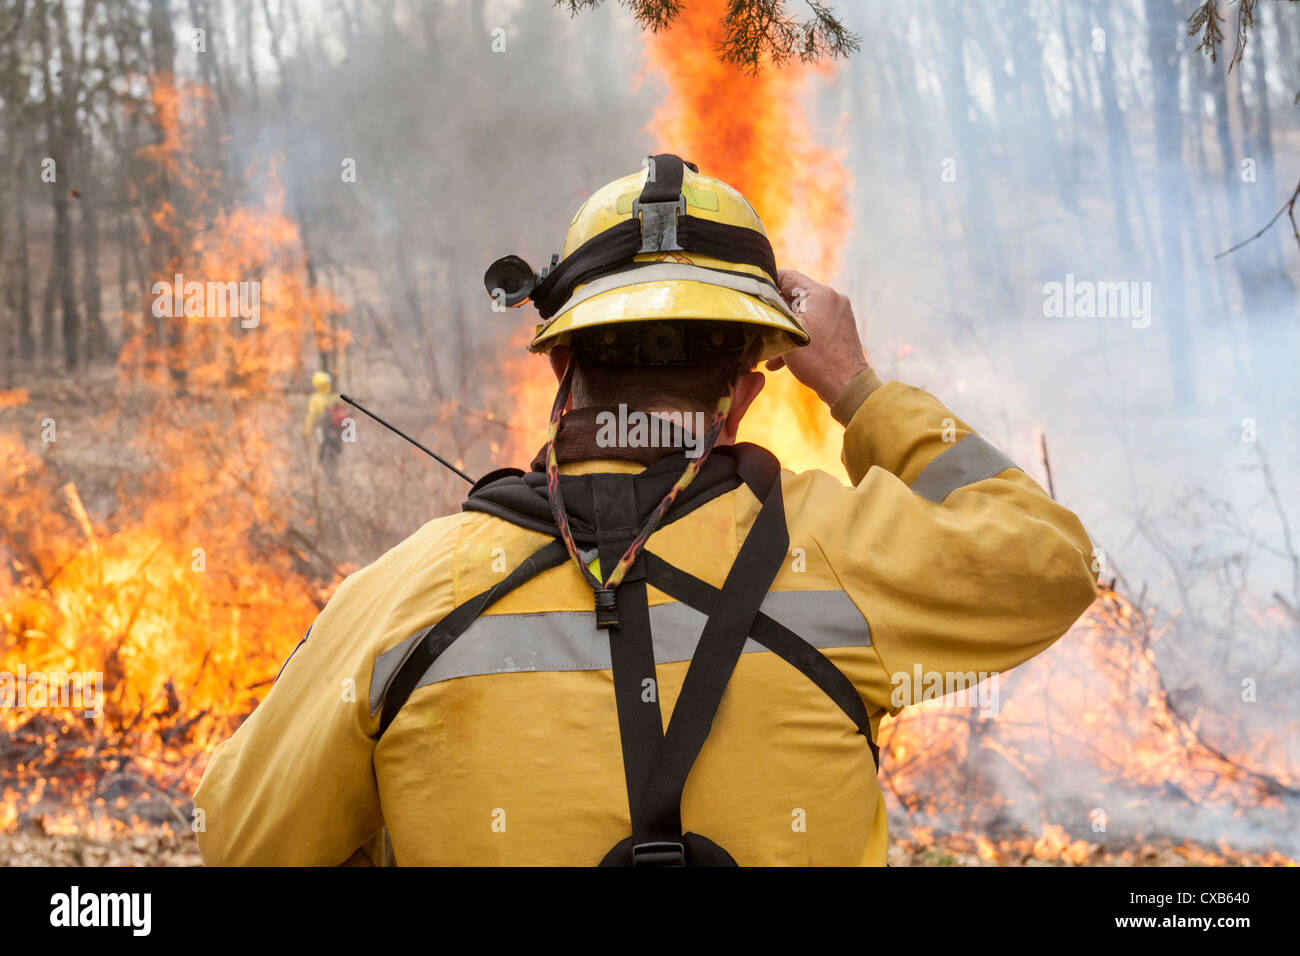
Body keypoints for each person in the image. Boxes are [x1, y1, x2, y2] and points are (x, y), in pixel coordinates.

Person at [195, 155, 1097, 866]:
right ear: (744, 393)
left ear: (561, 368)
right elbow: (1052, 561)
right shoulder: (840, 552)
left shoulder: (403, 596)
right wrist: (857, 387)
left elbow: (242, 845)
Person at [302, 369, 343, 475]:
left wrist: (306, 432)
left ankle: (327, 471)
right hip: (336, 431)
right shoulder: (334, 397)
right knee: (335, 451)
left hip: (322, 430)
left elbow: (310, 416)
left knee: (324, 450)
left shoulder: (315, 399)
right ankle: (335, 471)